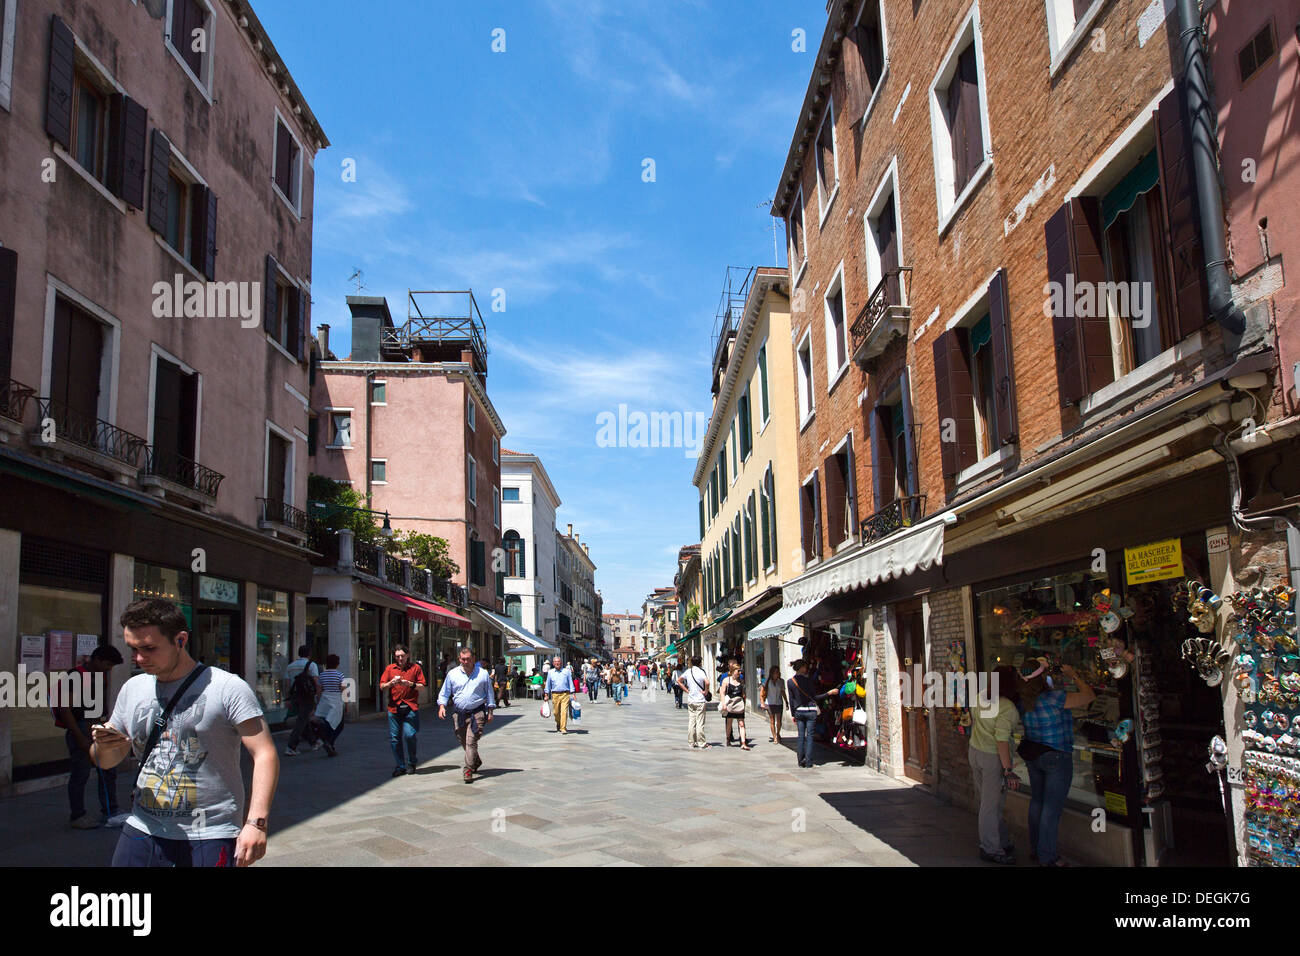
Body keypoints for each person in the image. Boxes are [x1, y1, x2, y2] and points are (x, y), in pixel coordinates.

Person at [90, 598, 277, 867]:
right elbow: (105, 760)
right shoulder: (132, 688)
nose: (139, 658)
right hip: (142, 828)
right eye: (133, 649)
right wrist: (104, 746)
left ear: (180, 640)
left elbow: (265, 754)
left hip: (209, 833)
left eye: (149, 649)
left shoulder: (227, 687)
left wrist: (256, 823)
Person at [1019, 659, 1094, 866]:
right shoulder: (1053, 698)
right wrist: (1073, 675)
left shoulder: (1023, 700)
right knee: (1051, 809)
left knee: (1037, 803)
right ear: (1042, 677)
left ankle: (1036, 849)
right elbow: (1089, 696)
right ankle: (1048, 857)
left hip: (1034, 755)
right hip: (1056, 756)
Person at [55, 645, 127, 829]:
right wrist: (79, 736)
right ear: (97, 660)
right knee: (80, 773)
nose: (109, 669)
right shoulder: (76, 676)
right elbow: (65, 709)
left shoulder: (99, 677)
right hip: (80, 728)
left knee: (108, 770)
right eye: (108, 664)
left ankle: (111, 810)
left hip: (96, 727)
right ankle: (78, 815)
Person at [970, 665, 1021, 865]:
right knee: (990, 805)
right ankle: (990, 848)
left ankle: (1003, 840)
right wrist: (1008, 770)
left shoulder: (981, 696)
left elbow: (975, 718)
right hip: (992, 757)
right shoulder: (1006, 707)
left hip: (975, 751)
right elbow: (1001, 740)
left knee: (989, 802)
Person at [438, 646, 496, 783]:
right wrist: (442, 706)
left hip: (477, 712)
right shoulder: (453, 674)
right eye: (463, 659)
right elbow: (445, 691)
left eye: (468, 659)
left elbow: (489, 693)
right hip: (460, 714)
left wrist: (490, 711)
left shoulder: (482, 674)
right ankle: (475, 760)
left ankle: (468, 769)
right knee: (463, 740)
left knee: (471, 741)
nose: (465, 662)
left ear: (473, 659)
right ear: (459, 659)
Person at [379, 645, 426, 777]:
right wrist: (390, 684)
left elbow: (422, 686)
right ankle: (400, 765)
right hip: (394, 708)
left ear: (408, 655)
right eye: (397, 656)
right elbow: (382, 686)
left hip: (410, 707)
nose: (400, 658)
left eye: (402, 656)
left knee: (410, 735)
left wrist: (410, 684)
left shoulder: (415, 668)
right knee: (395, 738)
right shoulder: (390, 669)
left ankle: (412, 762)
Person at [787, 660, 831, 768]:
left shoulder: (790, 681)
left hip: (798, 712)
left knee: (801, 736)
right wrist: (828, 693)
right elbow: (815, 697)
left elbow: (791, 700)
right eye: (805, 667)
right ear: (801, 668)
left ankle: (800, 760)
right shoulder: (808, 681)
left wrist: (793, 714)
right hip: (810, 711)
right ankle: (809, 762)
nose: (806, 669)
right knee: (810, 737)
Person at [282, 645, 321, 756]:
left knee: (303, 719)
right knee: (301, 721)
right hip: (307, 697)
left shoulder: (290, 666)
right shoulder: (311, 665)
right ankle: (291, 746)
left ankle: (314, 742)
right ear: (309, 654)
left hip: (295, 696)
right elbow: (316, 682)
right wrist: (317, 698)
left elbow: (287, 683)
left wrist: (287, 698)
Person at [311, 654, 346, 756]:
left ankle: (326, 741)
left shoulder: (322, 675)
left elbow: (319, 689)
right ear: (337, 664)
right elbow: (343, 690)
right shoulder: (340, 675)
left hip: (325, 699)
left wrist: (318, 701)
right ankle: (329, 741)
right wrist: (346, 704)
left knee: (327, 721)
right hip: (336, 700)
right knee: (339, 724)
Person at [677, 656, 711, 749]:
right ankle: (701, 743)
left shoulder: (688, 671)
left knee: (692, 722)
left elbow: (679, 681)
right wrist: (706, 692)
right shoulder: (701, 672)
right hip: (700, 700)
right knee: (700, 722)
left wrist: (686, 690)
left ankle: (691, 742)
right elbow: (707, 682)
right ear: (700, 663)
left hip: (691, 700)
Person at [720, 662, 750, 749]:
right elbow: (722, 692)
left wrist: (744, 703)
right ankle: (728, 738)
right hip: (729, 705)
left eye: (740, 671)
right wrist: (723, 704)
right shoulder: (726, 680)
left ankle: (743, 743)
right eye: (738, 671)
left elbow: (743, 693)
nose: (740, 673)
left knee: (741, 724)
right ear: (733, 671)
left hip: (739, 705)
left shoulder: (741, 681)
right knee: (729, 723)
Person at [544, 655, 575, 733]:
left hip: (565, 694)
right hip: (555, 694)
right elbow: (548, 684)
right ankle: (558, 723)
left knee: (564, 711)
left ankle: (563, 728)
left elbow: (570, 682)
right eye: (555, 662)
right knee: (556, 713)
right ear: (553, 663)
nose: (557, 663)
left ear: (561, 663)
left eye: (558, 662)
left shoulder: (566, 671)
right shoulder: (550, 672)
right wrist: (546, 694)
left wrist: (573, 693)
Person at [760, 665, 788, 743]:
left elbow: (783, 692)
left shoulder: (781, 681)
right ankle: (775, 737)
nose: (776, 674)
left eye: (777, 672)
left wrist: (786, 702)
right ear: (771, 673)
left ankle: (778, 733)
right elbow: (762, 693)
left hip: (779, 702)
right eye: (774, 672)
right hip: (770, 703)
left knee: (779, 721)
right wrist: (762, 703)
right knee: (772, 720)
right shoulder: (767, 681)